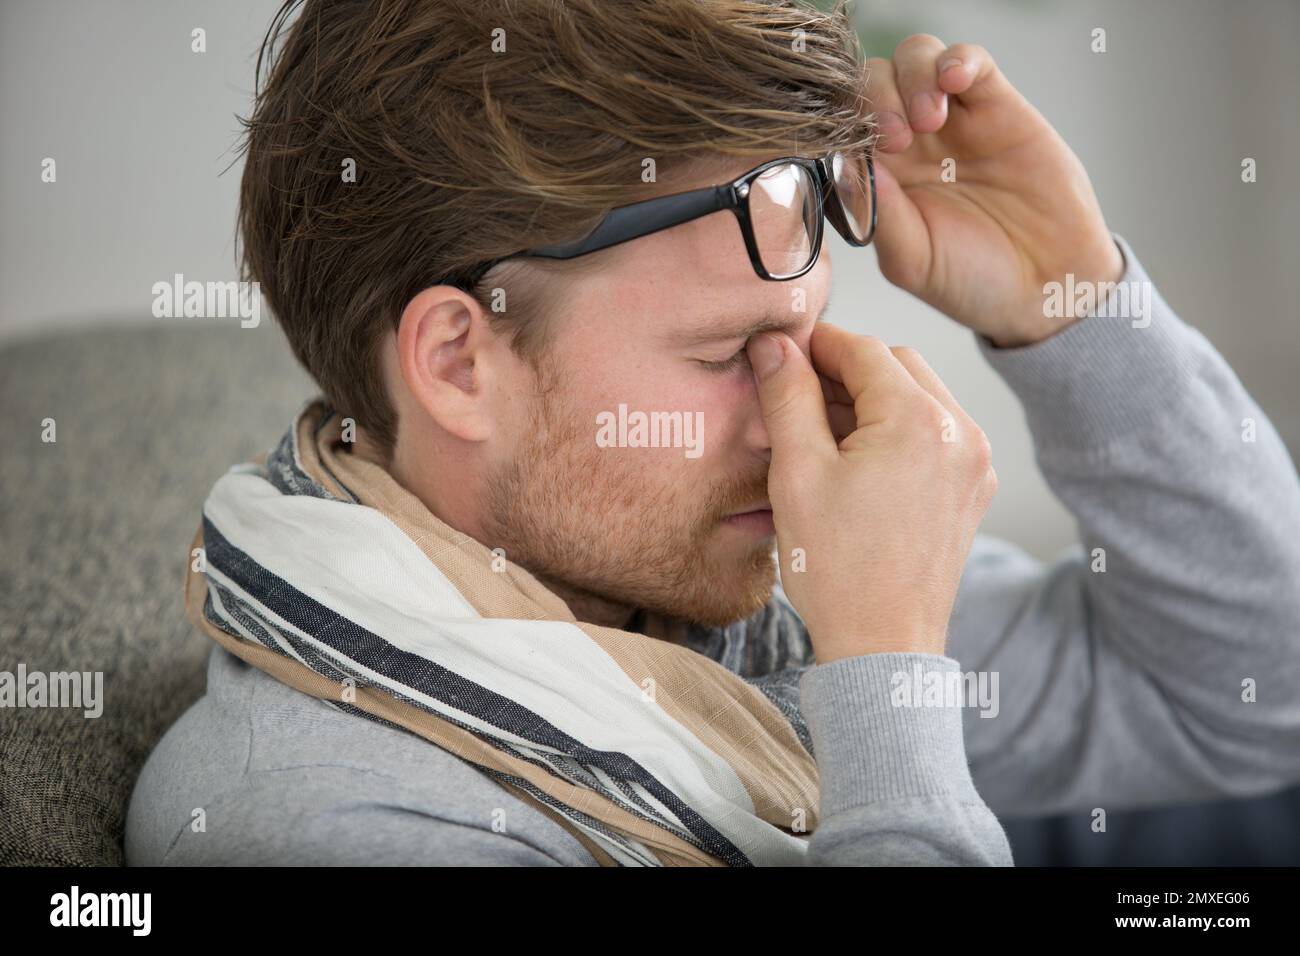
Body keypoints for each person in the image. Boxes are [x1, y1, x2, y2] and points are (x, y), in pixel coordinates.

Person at [126, 0, 1300, 866]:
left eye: (803, 332)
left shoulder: (739, 593)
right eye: (723, 353)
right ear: (456, 361)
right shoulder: (308, 816)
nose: (810, 428)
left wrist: (1073, 300)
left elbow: (1257, 699)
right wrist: (885, 676)